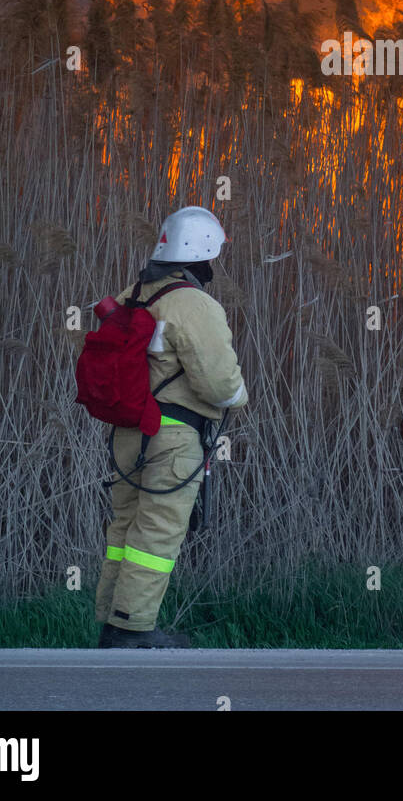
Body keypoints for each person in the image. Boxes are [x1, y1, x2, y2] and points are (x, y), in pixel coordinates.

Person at [95, 206, 247, 648]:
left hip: (127, 434)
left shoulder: (131, 295)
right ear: (202, 254)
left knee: (123, 530)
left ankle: (112, 621)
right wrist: (239, 398)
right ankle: (133, 629)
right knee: (157, 532)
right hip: (173, 437)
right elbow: (220, 384)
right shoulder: (194, 303)